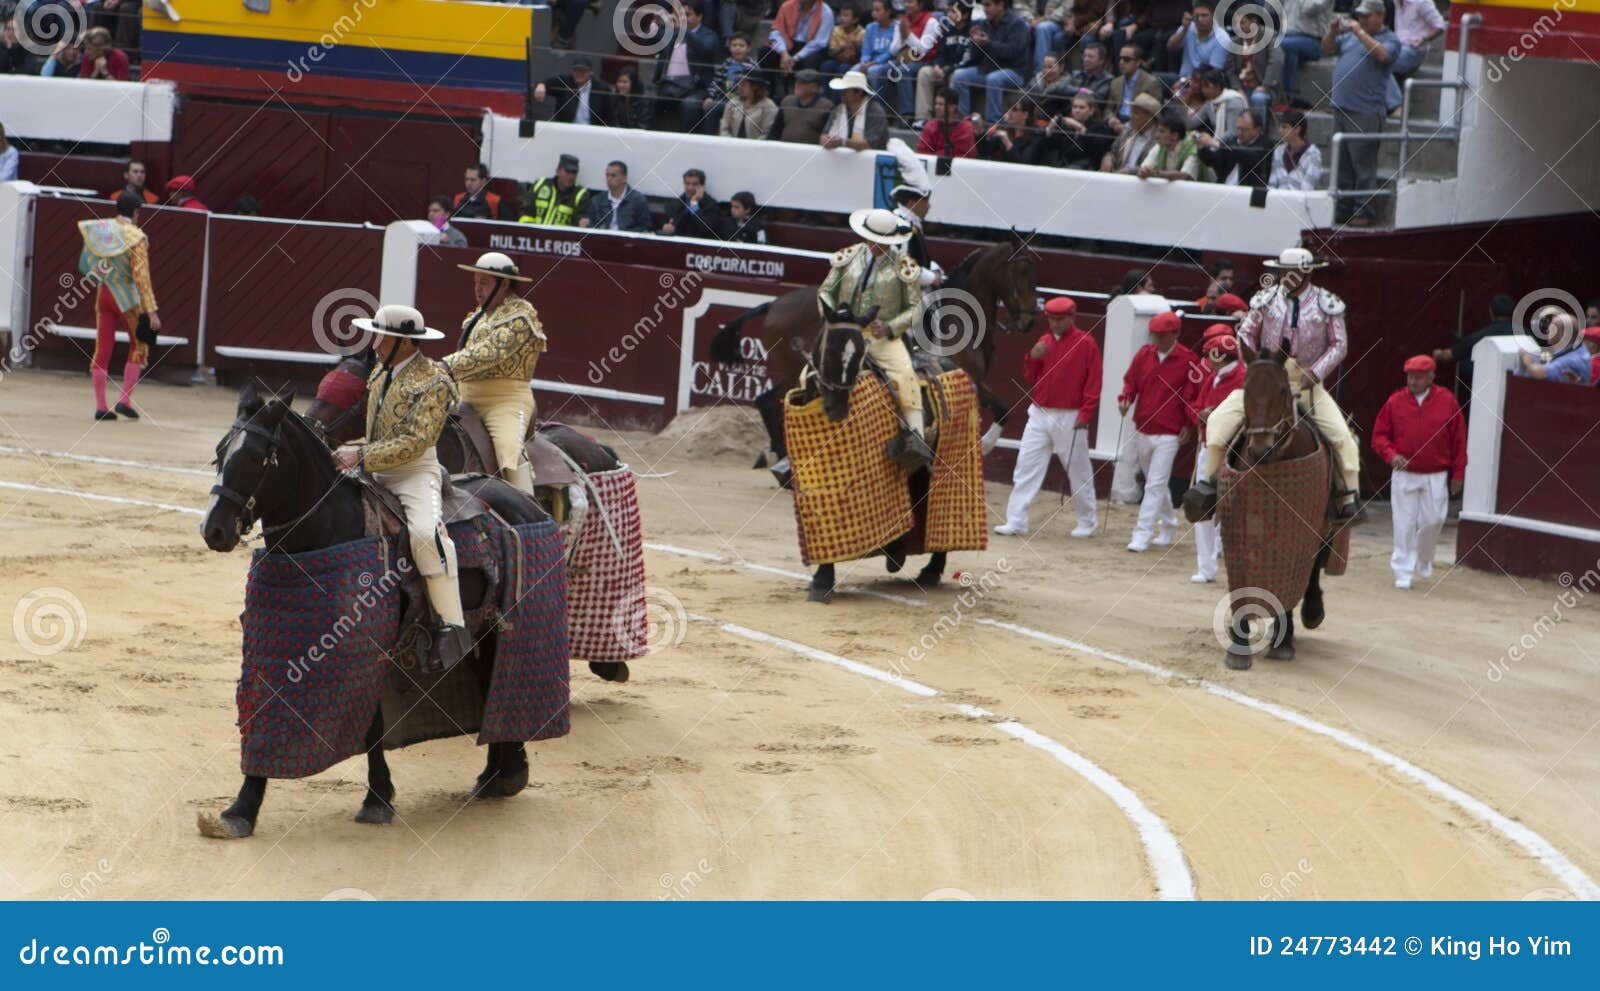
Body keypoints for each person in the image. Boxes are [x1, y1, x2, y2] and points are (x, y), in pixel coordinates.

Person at [334, 304, 470, 672]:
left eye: (382, 337)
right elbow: (378, 431)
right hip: (375, 469)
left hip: (413, 473)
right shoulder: (381, 371)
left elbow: (415, 441)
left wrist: (360, 456)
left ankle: (452, 628)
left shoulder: (435, 382)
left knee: (425, 534)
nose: (374, 345)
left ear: (404, 342)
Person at [1186, 246, 1363, 520]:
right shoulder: (1266, 299)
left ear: (1307, 273)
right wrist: (1257, 369)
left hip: (1306, 385)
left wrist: (1314, 373)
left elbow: (1340, 345)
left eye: (1292, 272)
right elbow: (1245, 334)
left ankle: (1347, 496)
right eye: (1283, 271)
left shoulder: (1327, 304)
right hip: (1264, 382)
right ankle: (1208, 485)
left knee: (1343, 438)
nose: (1286, 277)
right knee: (1219, 421)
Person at [817, 208, 930, 464]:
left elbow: (915, 307)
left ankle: (916, 439)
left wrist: (890, 327)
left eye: (880, 242)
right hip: (843, 333)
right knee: (810, 374)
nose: (874, 245)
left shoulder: (904, 265)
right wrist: (831, 317)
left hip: (880, 338)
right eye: (871, 239)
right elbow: (825, 291)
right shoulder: (848, 257)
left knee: (905, 375)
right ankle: (800, 439)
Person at [996, 295, 1101, 538]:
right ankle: (1016, 520)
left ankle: (1087, 520)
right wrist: (1032, 356)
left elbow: (1094, 382)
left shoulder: (1086, 343)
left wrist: (1085, 413)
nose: (1055, 324)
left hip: (1070, 415)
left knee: (1078, 469)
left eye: (1060, 319)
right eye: (1052, 319)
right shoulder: (1043, 341)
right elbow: (1031, 377)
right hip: (1040, 412)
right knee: (1026, 465)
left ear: (1071, 317)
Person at [445, 252, 545, 494]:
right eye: (476, 282)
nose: (478, 289)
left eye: (484, 283)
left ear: (505, 283)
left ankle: (529, 511)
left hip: (505, 401)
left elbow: (490, 352)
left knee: (508, 449)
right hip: (465, 397)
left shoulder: (521, 314)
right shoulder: (477, 316)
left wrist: (445, 366)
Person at [1371, 355, 1466, 589]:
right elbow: (1379, 435)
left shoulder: (1447, 401)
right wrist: (1391, 455)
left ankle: (1424, 559)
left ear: (1431, 377)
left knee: (1434, 520)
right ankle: (1403, 571)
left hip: (1436, 473)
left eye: (1418, 377)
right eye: (1410, 377)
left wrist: (1458, 473)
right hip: (1405, 472)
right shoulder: (1395, 401)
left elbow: (1459, 440)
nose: (1413, 382)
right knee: (1403, 523)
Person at [1118, 310, 1200, 552]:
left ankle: (1141, 534)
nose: (1156, 340)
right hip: (1143, 426)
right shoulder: (1144, 355)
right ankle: (1169, 523)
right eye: (1155, 335)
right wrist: (1125, 399)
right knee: (1157, 481)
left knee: (1154, 484)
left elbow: (1191, 396)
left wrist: (1188, 424)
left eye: (1162, 336)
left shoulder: (1188, 360)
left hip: (1170, 432)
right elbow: (1130, 382)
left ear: (1175, 334)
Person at [77, 192, 159, 421]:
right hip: (126, 298)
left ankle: (101, 406)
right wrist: (151, 310)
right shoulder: (136, 236)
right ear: (136, 212)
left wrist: (105, 277)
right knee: (139, 345)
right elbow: (141, 277)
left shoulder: (102, 229)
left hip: (103, 294)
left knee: (102, 348)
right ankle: (124, 400)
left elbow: (87, 262)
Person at [1325, 0, 1399, 227]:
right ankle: (1343, 209)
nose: (1363, 20)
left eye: (1367, 16)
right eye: (1361, 16)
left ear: (1380, 15)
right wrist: (1332, 32)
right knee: (1343, 166)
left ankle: (1364, 212)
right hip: (1342, 108)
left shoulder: (1390, 39)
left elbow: (1383, 55)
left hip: (1365, 112)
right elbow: (1327, 49)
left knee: (1363, 167)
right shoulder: (1350, 37)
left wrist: (1358, 31)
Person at [1186, 327, 1244, 582]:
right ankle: (1206, 566)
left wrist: (1214, 415)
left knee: (1235, 510)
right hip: (1208, 447)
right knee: (1202, 503)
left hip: (1233, 453)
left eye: (1209, 355)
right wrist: (1201, 414)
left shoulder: (1243, 379)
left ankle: (1229, 564)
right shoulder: (1213, 378)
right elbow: (1197, 406)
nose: (1205, 360)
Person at [953, 0, 1029, 123]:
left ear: (1000, 5)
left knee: (993, 79)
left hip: (1014, 72)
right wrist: (975, 44)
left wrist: (988, 44)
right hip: (988, 69)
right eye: (983, 5)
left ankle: (993, 124)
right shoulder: (984, 23)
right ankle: (962, 122)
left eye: (988, 5)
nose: (985, 9)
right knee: (959, 76)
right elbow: (976, 58)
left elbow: (1013, 53)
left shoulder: (1017, 24)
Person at [1430, 293, 1515, 404]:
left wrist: (1438, 354)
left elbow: (1447, 356)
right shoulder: (1527, 335)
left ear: (1491, 312)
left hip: (1486, 394)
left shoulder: (1481, 336)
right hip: (1519, 392)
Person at [653, 0, 721, 132]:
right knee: (652, 100)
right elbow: (650, 39)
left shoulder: (709, 35)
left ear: (699, 16)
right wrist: (656, 23)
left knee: (689, 105)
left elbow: (706, 49)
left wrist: (683, 31)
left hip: (696, 87)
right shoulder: (671, 32)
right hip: (669, 84)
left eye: (687, 15)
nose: (683, 19)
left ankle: (685, 143)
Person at [916, 0, 974, 124]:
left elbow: (968, 60)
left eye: (953, 12)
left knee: (956, 76)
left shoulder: (972, 32)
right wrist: (937, 65)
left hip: (960, 69)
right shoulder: (948, 29)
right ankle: (922, 118)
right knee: (924, 72)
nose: (948, 15)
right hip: (943, 68)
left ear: (964, 15)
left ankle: (954, 119)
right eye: (948, 11)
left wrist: (948, 69)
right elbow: (940, 53)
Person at [1387, 0, 1447, 112]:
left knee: (1384, 63)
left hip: (1413, 49)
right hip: (1396, 45)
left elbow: (1440, 25)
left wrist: (1423, 39)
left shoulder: (1421, 2)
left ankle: (1396, 104)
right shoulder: (1395, 2)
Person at [1225, 11, 1283, 120]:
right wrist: (1238, 89)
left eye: (1242, 23)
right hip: (1242, 86)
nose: (1238, 27)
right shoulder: (1234, 42)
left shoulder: (1269, 36)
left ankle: (1259, 133)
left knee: (1258, 98)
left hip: (1264, 86)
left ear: (1254, 22)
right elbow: (1230, 70)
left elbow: (1277, 60)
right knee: (1233, 100)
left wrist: (1265, 85)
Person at [1195, 108, 1271, 187]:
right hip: (1224, 187)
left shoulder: (1265, 145)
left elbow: (1248, 156)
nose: (1240, 133)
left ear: (1257, 129)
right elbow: (1212, 161)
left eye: (1245, 130)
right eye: (1238, 128)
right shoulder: (1231, 141)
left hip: (1247, 192)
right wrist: (1202, 146)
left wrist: (1216, 143)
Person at [1280, 0, 1335, 104]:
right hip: (1287, 35)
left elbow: (1309, 9)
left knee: (1286, 45)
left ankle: (1286, 96)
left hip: (1314, 40)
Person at [533, 55, 614, 126]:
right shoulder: (565, 82)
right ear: (572, 71)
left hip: (592, 131)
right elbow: (545, 83)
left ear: (590, 72)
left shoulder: (602, 88)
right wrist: (541, 85)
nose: (579, 73)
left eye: (583, 70)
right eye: (576, 70)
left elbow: (609, 117)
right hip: (566, 130)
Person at [704, 32, 759, 133]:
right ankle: (710, 136)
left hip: (744, 101)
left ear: (748, 48)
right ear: (729, 48)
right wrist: (710, 97)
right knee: (711, 107)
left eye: (741, 45)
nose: (737, 48)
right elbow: (717, 82)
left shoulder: (753, 66)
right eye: (734, 45)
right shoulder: (726, 63)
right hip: (726, 100)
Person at [821, 70, 890, 150]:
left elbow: (870, 144)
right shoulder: (839, 109)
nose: (842, 93)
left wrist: (843, 142)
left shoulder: (875, 111)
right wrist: (827, 141)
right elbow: (823, 137)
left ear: (859, 92)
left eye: (846, 90)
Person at [891, 183, 941, 289]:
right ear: (911, 204)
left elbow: (917, 259)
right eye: (925, 201)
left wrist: (936, 270)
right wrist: (933, 278)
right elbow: (902, 266)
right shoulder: (902, 226)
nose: (929, 206)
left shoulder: (911, 224)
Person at [519, 153, 590, 227]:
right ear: (558, 171)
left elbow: (577, 226)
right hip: (534, 235)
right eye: (567, 171)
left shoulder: (580, 195)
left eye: (574, 173)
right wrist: (530, 231)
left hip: (560, 237)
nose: (571, 176)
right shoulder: (540, 185)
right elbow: (526, 213)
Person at [580, 160, 652, 232]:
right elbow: (591, 224)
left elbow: (644, 226)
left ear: (624, 178)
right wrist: (586, 224)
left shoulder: (638, 200)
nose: (609, 179)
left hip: (627, 241)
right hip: (603, 240)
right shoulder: (597, 200)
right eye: (607, 175)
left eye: (613, 176)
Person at [1518, 324, 1600, 385]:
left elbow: (1538, 373)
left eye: (1581, 342)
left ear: (1593, 346)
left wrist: (1527, 360)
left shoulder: (1594, 364)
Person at [1137, 112, 1209, 182]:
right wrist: (1144, 171)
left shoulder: (1193, 147)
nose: (1156, 136)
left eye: (1161, 131)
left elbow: (1185, 175)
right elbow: (1144, 167)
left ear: (1174, 136)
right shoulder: (1160, 145)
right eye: (1157, 131)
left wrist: (1155, 173)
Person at [770, 0, 837, 74]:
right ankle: (770, 83)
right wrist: (784, 53)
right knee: (766, 52)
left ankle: (800, 84)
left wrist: (794, 58)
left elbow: (819, 43)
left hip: (811, 48)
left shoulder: (826, 12)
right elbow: (775, 32)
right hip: (789, 44)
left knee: (810, 62)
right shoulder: (786, 6)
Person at [1168, 1, 1229, 80]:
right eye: (1196, 16)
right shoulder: (1188, 27)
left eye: (1204, 15)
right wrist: (1184, 29)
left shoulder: (1222, 38)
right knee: (1154, 80)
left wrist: (1185, 83)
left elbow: (1213, 73)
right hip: (1181, 78)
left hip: (1203, 84)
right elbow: (1170, 47)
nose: (1199, 19)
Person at [661, 168, 727, 240]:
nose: (690, 187)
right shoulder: (675, 204)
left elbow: (705, 229)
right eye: (687, 183)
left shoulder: (711, 205)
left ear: (702, 186)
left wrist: (694, 204)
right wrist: (666, 227)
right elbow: (667, 224)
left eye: (694, 184)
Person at [1102, 91, 1159, 172]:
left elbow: (1156, 167)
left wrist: (1131, 171)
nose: (1130, 116)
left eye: (1135, 113)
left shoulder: (1160, 139)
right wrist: (1108, 158)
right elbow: (1113, 152)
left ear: (1149, 118)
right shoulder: (1127, 132)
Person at [774, 68, 835, 144]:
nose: (797, 84)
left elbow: (826, 135)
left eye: (803, 83)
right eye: (797, 81)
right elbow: (775, 131)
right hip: (784, 150)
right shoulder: (787, 101)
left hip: (810, 152)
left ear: (815, 87)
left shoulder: (827, 107)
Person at [1268, 109, 1324, 190]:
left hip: (1301, 201)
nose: (1280, 131)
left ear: (1297, 129)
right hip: (1277, 200)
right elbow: (1272, 184)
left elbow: (1307, 189)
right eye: (1280, 127)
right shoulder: (1278, 151)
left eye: (1285, 127)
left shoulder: (1313, 155)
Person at [1107, 43, 1161, 124]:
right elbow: (1108, 109)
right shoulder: (1115, 82)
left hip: (1138, 124)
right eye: (1120, 58)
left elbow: (1155, 113)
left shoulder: (1151, 83)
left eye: (1126, 59)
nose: (1121, 62)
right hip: (1117, 121)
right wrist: (1111, 119)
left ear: (1138, 62)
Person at [719, 69, 779, 139]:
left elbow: (767, 133)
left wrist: (752, 146)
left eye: (743, 85)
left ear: (755, 87)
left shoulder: (769, 107)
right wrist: (731, 143)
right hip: (731, 146)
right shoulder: (732, 103)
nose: (739, 87)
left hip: (756, 148)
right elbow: (724, 128)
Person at [918, 89, 977, 157]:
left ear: (953, 107)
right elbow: (922, 152)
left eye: (941, 104)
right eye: (936, 104)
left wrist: (935, 155)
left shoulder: (965, 128)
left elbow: (961, 154)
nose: (936, 107)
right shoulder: (930, 126)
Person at [820, 2, 865, 78]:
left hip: (853, 62)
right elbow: (831, 53)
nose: (842, 18)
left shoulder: (862, 33)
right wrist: (843, 47)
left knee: (843, 68)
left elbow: (863, 53)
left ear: (855, 19)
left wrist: (855, 44)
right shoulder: (835, 30)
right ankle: (826, 90)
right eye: (841, 15)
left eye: (846, 16)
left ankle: (842, 90)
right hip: (837, 60)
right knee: (826, 65)